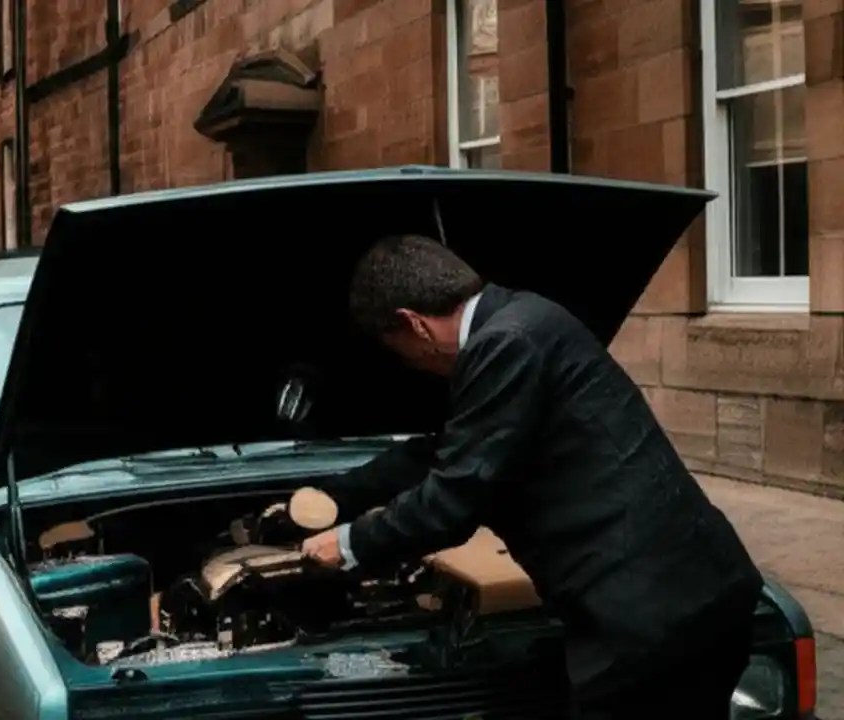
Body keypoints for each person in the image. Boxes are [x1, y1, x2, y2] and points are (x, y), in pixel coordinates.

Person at [300, 234, 763, 719]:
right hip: (691, 592)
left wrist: (350, 545)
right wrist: (340, 493)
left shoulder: (505, 344)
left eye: (399, 352)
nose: (410, 366)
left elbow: (454, 500)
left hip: (649, 621)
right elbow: (442, 452)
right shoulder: (524, 320)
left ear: (413, 324)